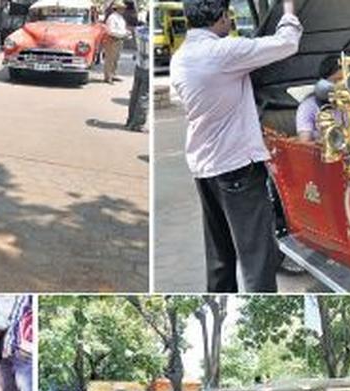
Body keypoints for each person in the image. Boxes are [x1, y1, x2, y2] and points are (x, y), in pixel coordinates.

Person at [170, 0, 301, 292]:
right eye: (228, 15)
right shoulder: (223, 52)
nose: (230, 21)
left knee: (220, 256)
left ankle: (220, 295)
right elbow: (287, 43)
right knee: (258, 258)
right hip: (237, 168)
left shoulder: (180, 58)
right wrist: (289, 10)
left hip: (204, 167)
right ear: (219, 17)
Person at [125, 22, 149, 131]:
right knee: (144, 96)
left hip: (139, 65)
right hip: (148, 67)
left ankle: (130, 120)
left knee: (135, 94)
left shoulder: (139, 31)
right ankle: (137, 124)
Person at [102, 1, 129, 84]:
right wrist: (123, 33)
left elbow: (121, 29)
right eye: (122, 8)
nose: (123, 10)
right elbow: (111, 31)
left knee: (116, 59)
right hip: (112, 40)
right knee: (110, 59)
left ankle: (113, 74)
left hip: (119, 39)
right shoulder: (112, 18)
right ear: (117, 9)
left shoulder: (121, 18)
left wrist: (126, 32)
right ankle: (108, 77)